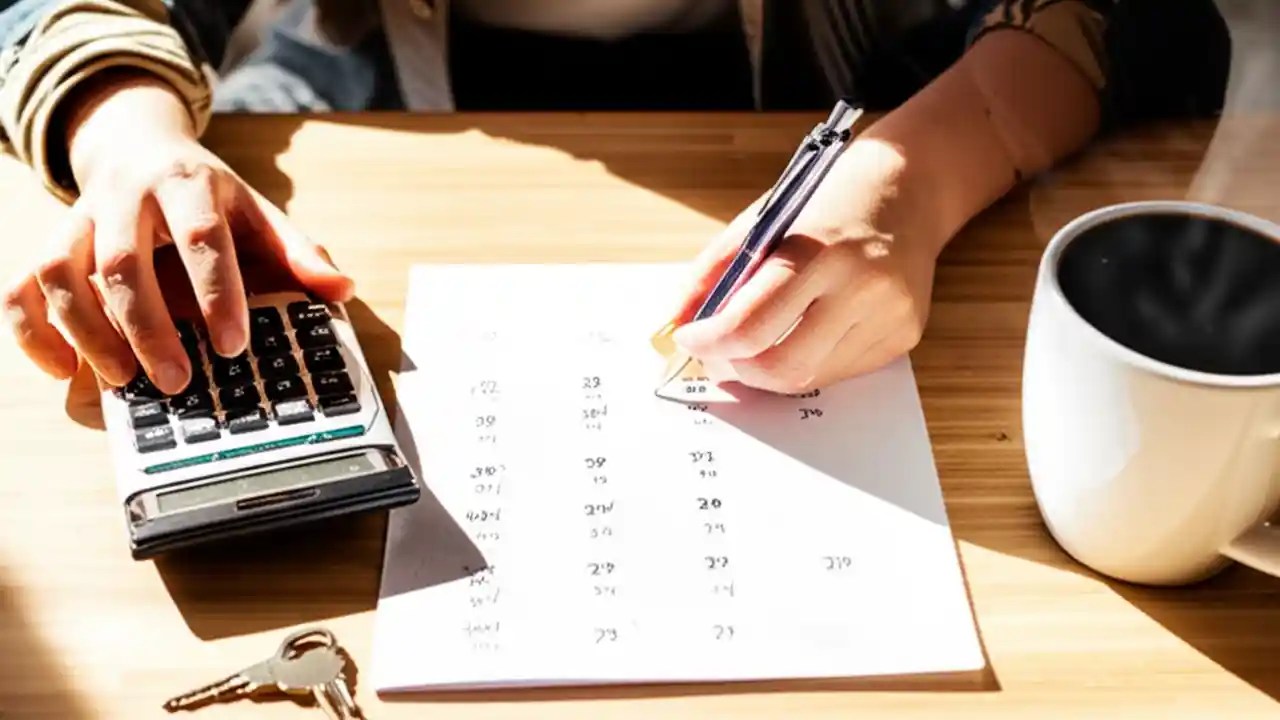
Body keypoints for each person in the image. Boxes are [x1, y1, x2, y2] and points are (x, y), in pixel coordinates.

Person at [0, 0, 1230, 397]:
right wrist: (124, 129)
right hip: (401, 109)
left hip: (877, 77)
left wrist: (929, 165)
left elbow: (1158, 19)